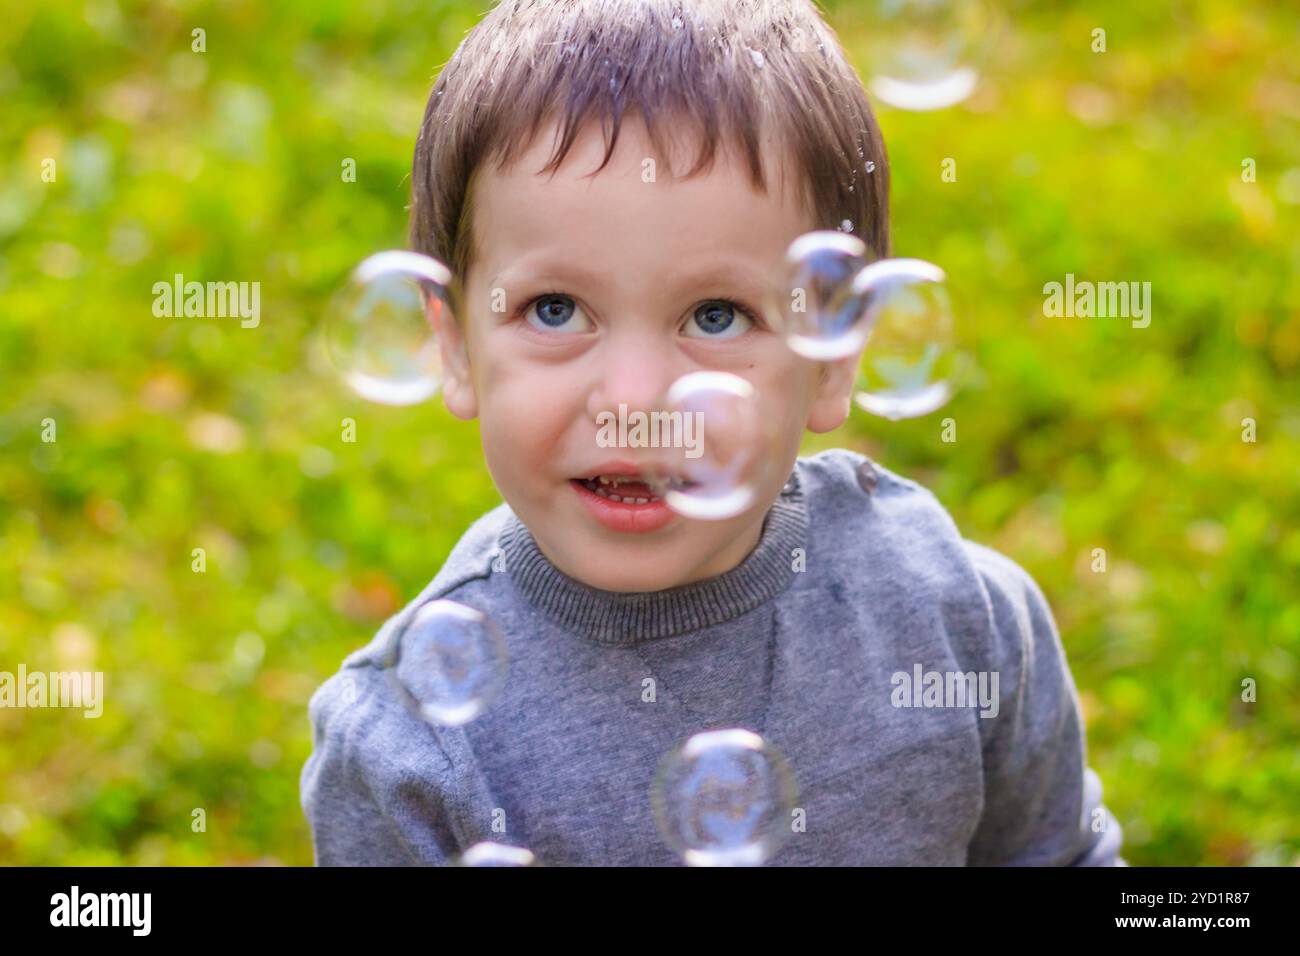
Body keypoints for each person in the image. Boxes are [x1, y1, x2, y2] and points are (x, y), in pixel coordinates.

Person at [301, 0, 1124, 866]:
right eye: (555, 309)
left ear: (834, 353)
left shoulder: (952, 620)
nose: (635, 401)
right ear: (454, 346)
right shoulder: (407, 753)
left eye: (718, 316)